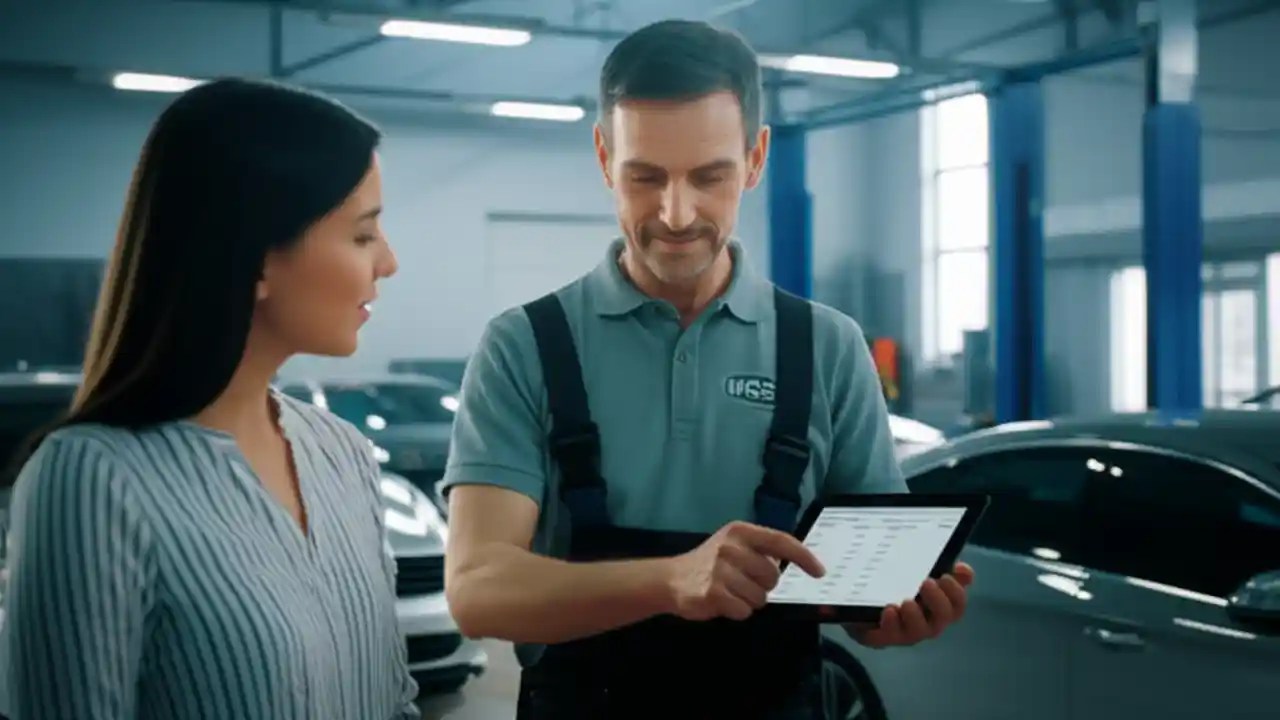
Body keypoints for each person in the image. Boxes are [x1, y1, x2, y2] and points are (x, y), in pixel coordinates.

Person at [441, 18, 975, 719]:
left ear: (755, 159)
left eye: (709, 177)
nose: (675, 212)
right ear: (605, 158)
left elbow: (863, 602)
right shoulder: (524, 346)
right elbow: (478, 588)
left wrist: (894, 615)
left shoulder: (827, 348)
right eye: (645, 177)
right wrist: (670, 581)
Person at [0, 78, 418, 719]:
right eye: (363, 236)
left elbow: (393, 702)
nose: (388, 263)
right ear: (254, 257)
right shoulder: (92, 480)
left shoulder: (342, 453)